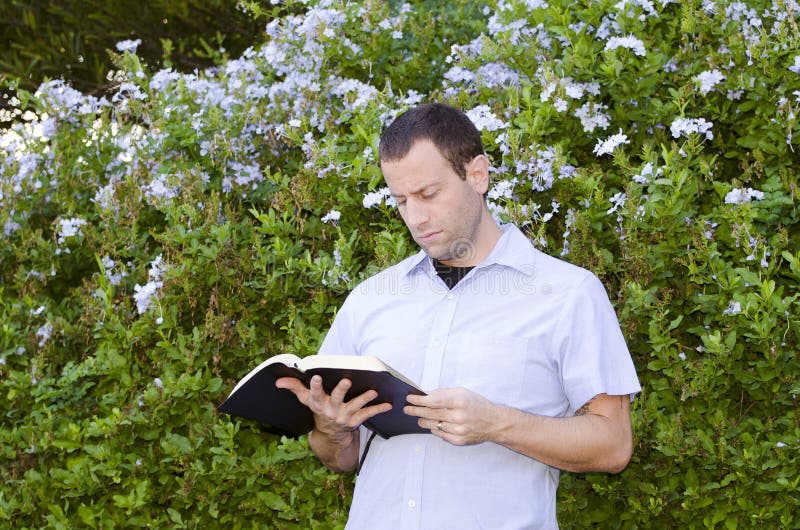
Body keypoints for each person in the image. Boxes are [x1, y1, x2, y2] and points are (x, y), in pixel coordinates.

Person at [276, 102, 641, 529]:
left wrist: (497, 423)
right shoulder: (370, 298)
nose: (416, 217)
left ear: (478, 175)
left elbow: (614, 446)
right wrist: (332, 429)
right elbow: (340, 457)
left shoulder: (568, 293)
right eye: (401, 201)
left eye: (429, 194)